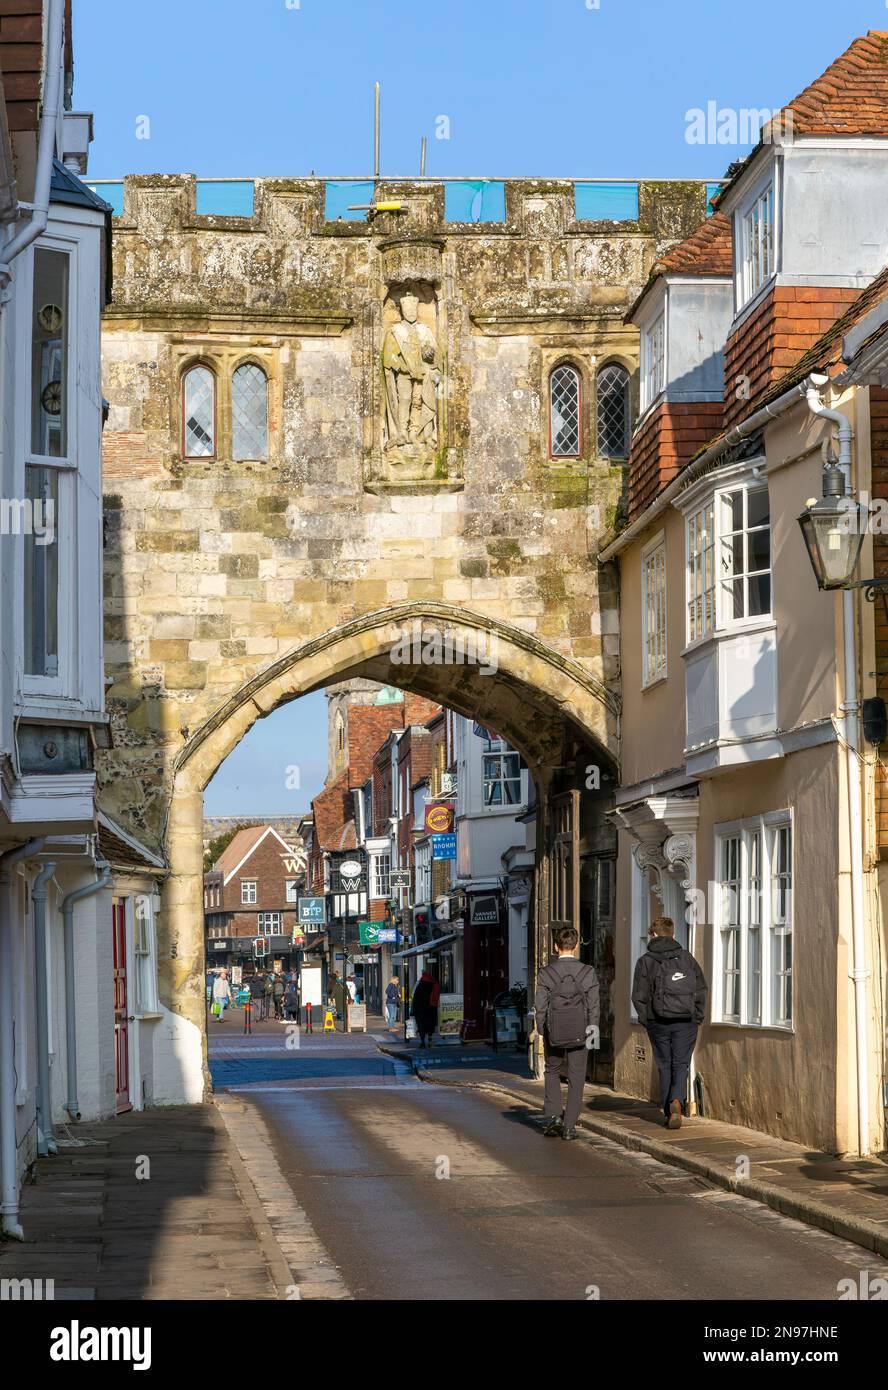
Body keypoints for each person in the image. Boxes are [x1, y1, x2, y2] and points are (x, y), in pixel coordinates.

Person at [631, 915, 708, 1130]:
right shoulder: (687, 958)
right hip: (686, 1021)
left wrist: (648, 1020)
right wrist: (697, 1017)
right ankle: (677, 1100)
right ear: (673, 934)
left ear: (653, 935)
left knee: (664, 1065)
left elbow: (638, 996)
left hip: (658, 1022)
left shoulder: (645, 961)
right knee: (681, 1064)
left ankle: (669, 1110)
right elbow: (701, 989)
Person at [532, 926, 599, 1141]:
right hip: (581, 1031)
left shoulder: (546, 973)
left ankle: (553, 1117)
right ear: (577, 945)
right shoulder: (588, 972)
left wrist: (543, 1028)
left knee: (552, 1071)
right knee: (577, 1077)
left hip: (555, 1031)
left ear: (555, 947)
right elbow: (594, 1006)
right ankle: (570, 1126)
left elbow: (540, 1006)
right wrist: (592, 1031)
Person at [411, 970, 440, 1047]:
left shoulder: (420, 985)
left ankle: (422, 1042)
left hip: (420, 1010)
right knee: (430, 1025)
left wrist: (413, 1010)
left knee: (421, 1026)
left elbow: (415, 998)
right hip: (431, 1009)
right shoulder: (433, 984)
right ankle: (430, 1040)